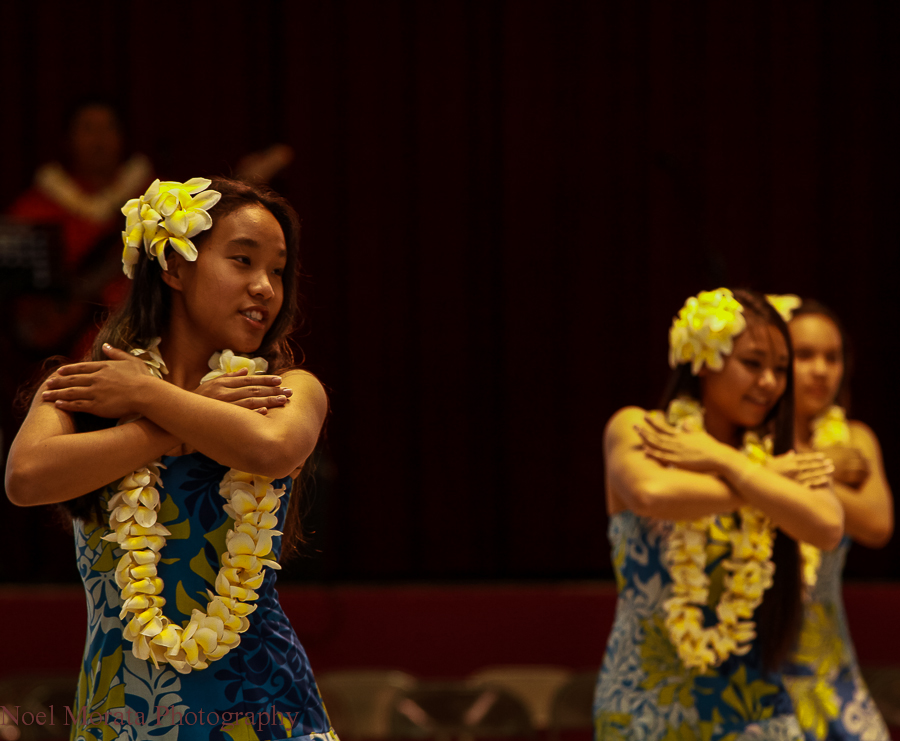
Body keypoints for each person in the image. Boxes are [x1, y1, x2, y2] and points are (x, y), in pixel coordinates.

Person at [5, 176, 336, 741]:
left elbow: (274, 449)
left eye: (277, 270)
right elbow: (26, 477)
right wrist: (164, 425)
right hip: (123, 716)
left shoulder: (285, 390)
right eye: (242, 260)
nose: (264, 287)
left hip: (264, 711)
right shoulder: (88, 391)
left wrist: (147, 397)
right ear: (175, 269)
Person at [594, 288, 844, 741]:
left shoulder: (785, 454)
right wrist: (763, 482)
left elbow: (827, 526)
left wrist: (729, 462)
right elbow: (651, 493)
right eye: (753, 363)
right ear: (704, 358)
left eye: (780, 370)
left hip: (756, 710)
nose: (770, 382)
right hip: (646, 704)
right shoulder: (640, 429)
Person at [770, 297, 893, 741]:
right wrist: (823, 464)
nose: (821, 369)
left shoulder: (855, 438)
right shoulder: (752, 440)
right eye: (805, 356)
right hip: (759, 654)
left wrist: (805, 467)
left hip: (829, 657)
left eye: (832, 357)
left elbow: (877, 523)